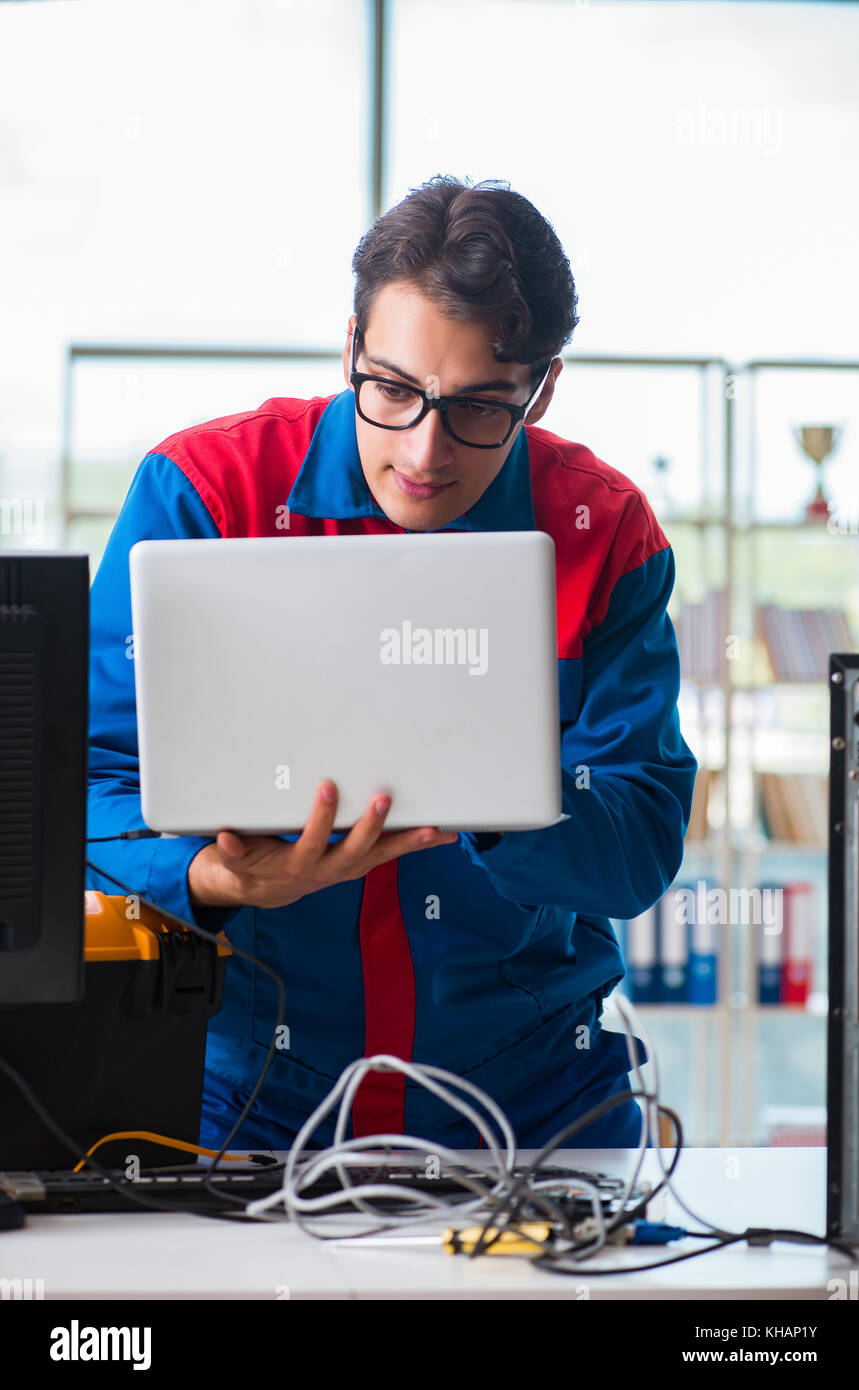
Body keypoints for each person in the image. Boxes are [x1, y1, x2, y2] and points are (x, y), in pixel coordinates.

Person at [86, 174, 697, 1153]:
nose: (424, 450)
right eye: (394, 390)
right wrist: (212, 877)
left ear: (542, 387)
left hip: (538, 1105)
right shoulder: (205, 493)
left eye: (478, 407)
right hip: (246, 1101)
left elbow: (640, 841)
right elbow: (85, 787)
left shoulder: (607, 531)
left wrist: (496, 799)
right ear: (350, 349)